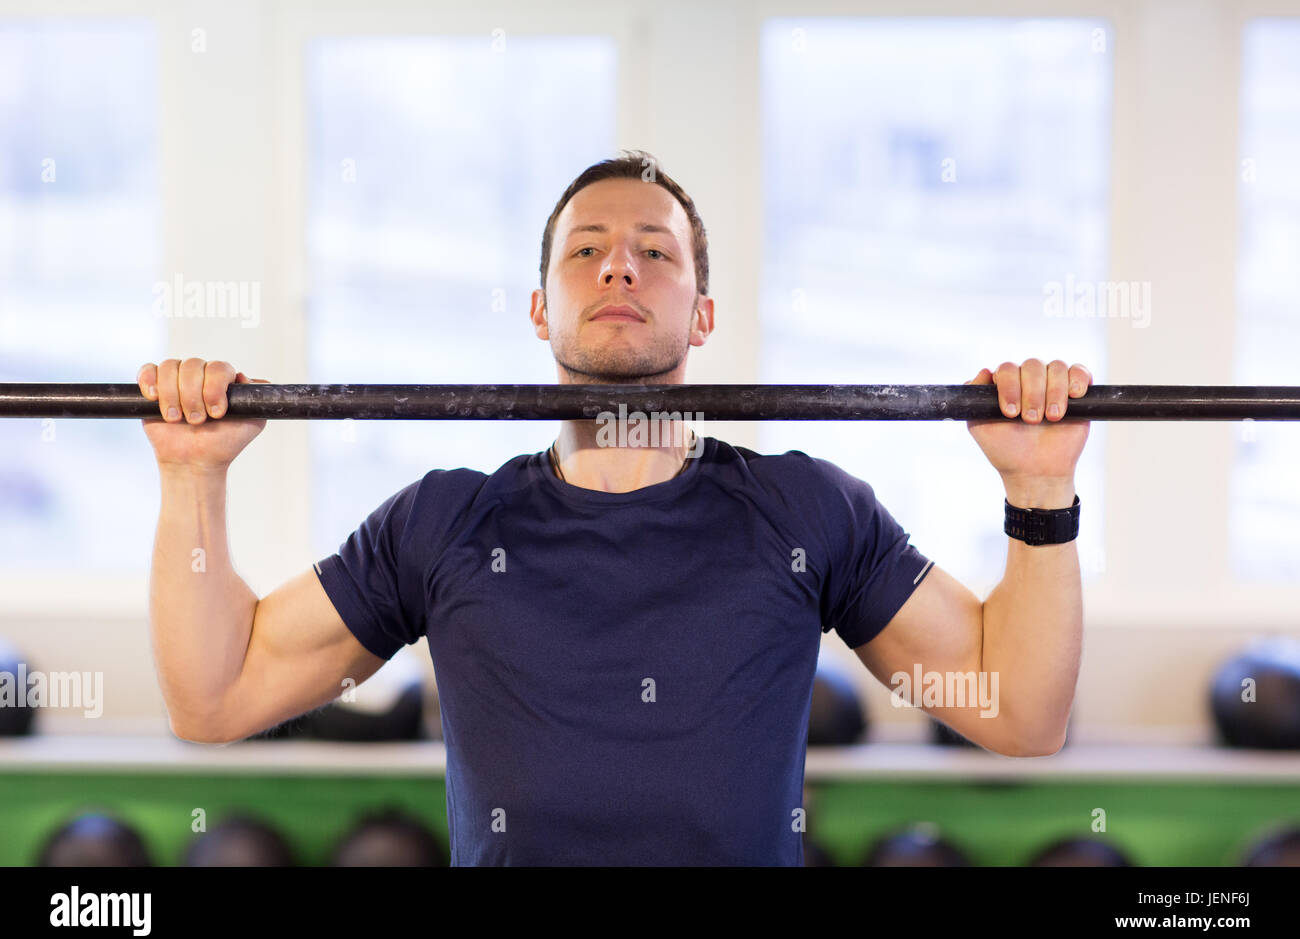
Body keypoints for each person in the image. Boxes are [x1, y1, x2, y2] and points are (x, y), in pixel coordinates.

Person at [137, 149, 1093, 865]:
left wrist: (1039, 492)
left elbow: (1019, 714)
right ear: (540, 309)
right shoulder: (443, 525)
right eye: (584, 250)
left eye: (655, 252)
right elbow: (214, 697)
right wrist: (191, 475)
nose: (618, 268)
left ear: (703, 313)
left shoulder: (806, 512)